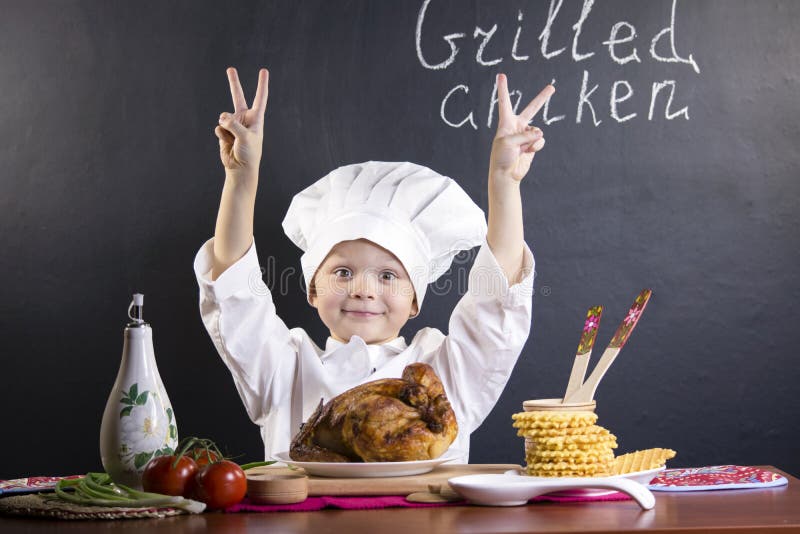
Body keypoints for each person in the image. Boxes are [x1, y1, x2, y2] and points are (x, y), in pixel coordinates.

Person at [194, 67, 554, 462]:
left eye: (387, 275)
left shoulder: (443, 375)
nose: (364, 290)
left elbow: (496, 304)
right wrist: (241, 177)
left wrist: (505, 182)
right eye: (343, 272)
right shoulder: (285, 369)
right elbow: (235, 294)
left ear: (415, 299)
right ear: (312, 288)